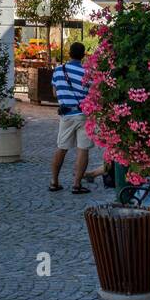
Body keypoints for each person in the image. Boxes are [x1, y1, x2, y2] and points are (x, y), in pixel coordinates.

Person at [49, 41, 92, 194]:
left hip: (65, 114)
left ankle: (54, 182)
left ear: (69, 53)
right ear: (83, 55)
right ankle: (76, 185)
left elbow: (55, 93)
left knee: (61, 148)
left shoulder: (59, 70)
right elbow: (91, 94)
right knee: (83, 149)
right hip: (83, 115)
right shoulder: (87, 72)